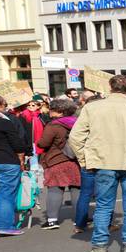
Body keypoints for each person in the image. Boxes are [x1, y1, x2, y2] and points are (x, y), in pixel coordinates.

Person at [67, 74, 126, 252]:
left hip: (103, 162)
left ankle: (100, 246)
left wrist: (85, 160)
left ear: (110, 88)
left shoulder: (92, 108)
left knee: (103, 205)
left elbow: (75, 137)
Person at [36, 98, 83, 229]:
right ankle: (80, 218)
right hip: (74, 160)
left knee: (55, 189)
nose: (49, 111)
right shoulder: (77, 123)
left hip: (56, 160)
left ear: (59, 111)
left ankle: (52, 220)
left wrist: (38, 142)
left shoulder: (53, 125)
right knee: (76, 189)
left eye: (52, 109)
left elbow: (43, 143)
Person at [0, 92, 28, 236]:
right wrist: (22, 157)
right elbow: (16, 142)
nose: (5, 108)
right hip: (6, 160)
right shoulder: (3, 121)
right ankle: (4, 226)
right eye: (3, 105)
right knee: (6, 194)